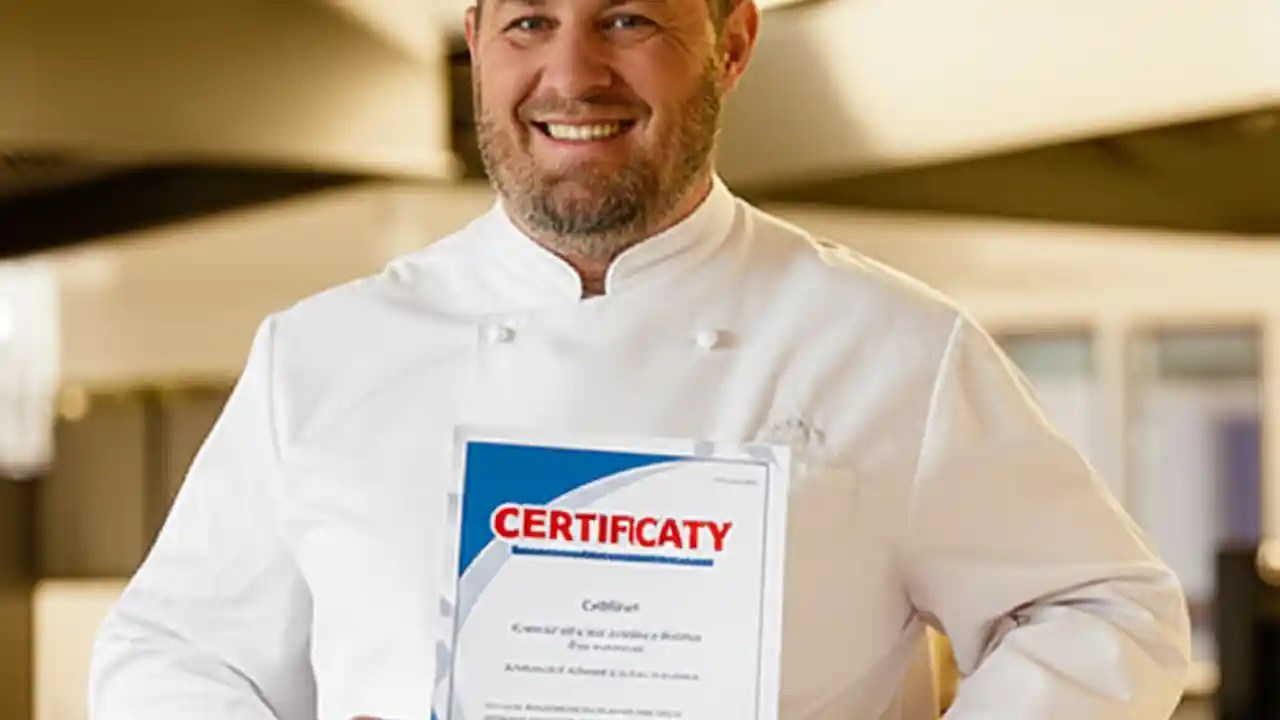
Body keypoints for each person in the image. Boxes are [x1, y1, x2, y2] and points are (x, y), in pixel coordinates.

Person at [89, 0, 1191, 718]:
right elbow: (172, 658)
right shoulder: (320, 358)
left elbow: (1105, 610)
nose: (571, 75)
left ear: (734, 41)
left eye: (625, 20)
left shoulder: (890, 347)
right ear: (476, 43)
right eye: (527, 21)